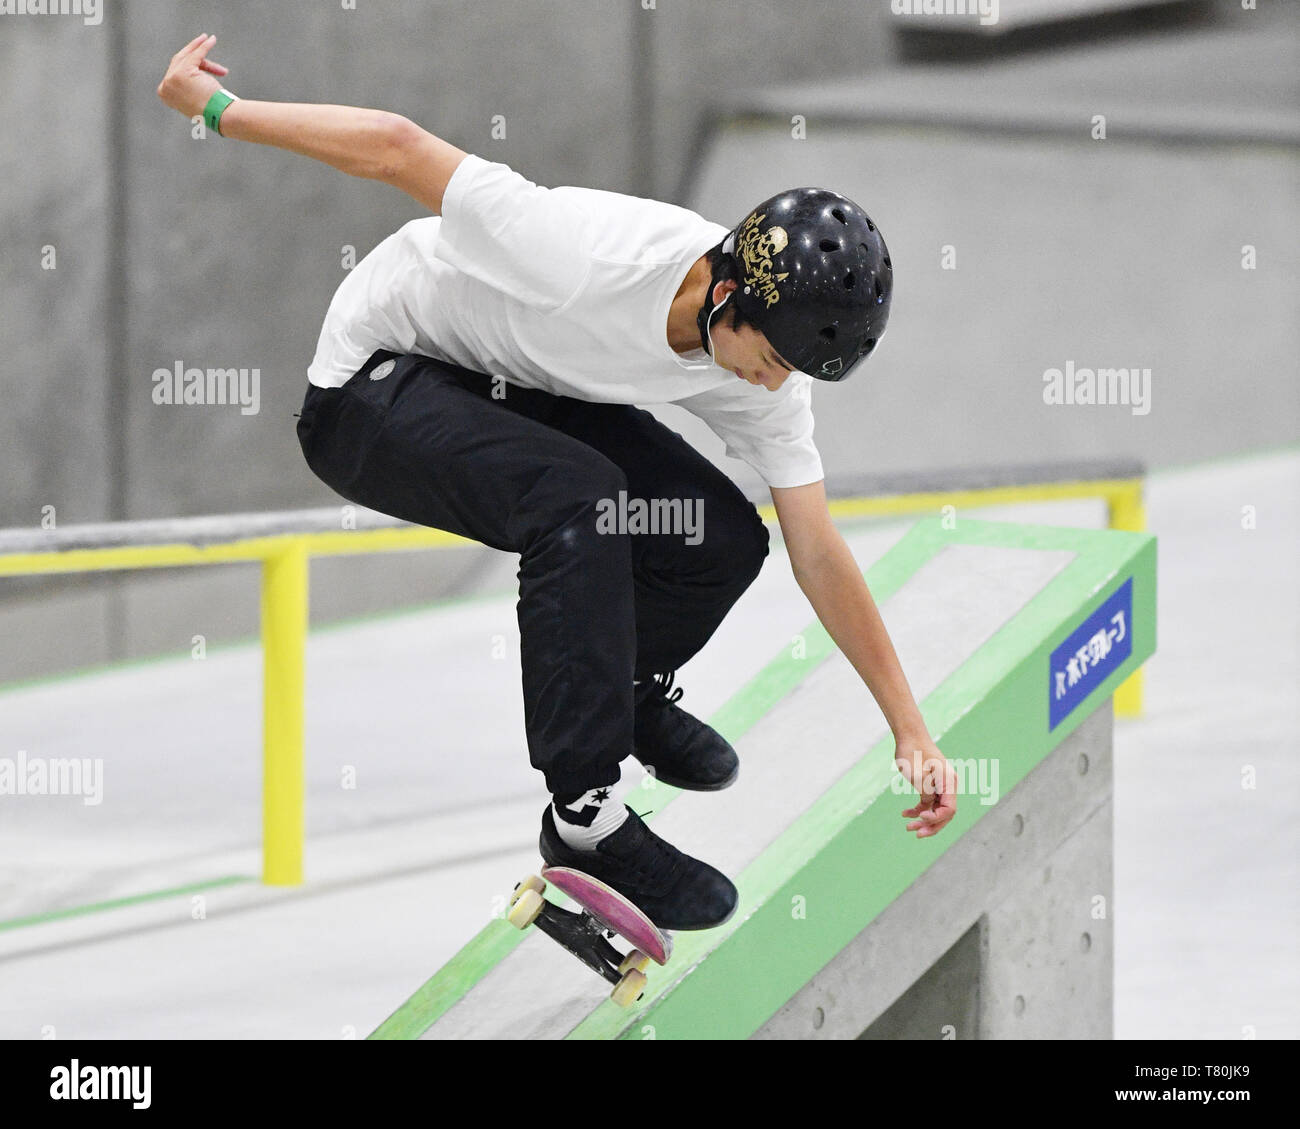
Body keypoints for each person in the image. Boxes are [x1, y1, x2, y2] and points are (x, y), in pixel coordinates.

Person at [157, 34, 958, 932]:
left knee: (721, 537)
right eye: (768, 359)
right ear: (727, 292)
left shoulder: (768, 376)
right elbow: (395, 143)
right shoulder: (577, 253)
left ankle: (624, 692)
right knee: (579, 498)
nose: (771, 385)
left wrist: (909, 727)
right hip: (369, 389)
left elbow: (817, 546)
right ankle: (587, 820)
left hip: (511, 382)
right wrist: (217, 110)